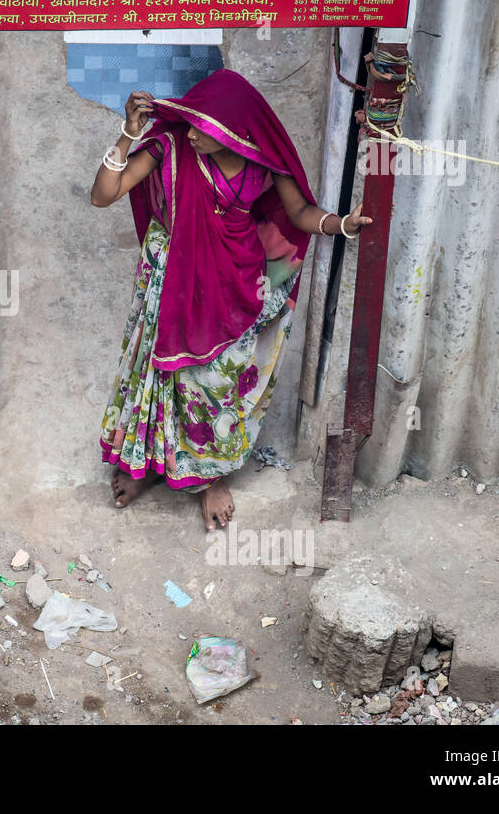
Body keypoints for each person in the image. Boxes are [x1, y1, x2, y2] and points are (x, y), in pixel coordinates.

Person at [91, 69, 372, 530]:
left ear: (235, 134)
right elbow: (104, 195)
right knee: (162, 375)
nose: (195, 134)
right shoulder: (170, 146)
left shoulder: (262, 164)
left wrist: (342, 224)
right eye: (193, 122)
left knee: (219, 380)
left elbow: (299, 212)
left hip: (234, 280)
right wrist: (127, 136)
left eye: (205, 127)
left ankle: (213, 476)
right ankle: (152, 466)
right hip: (173, 277)